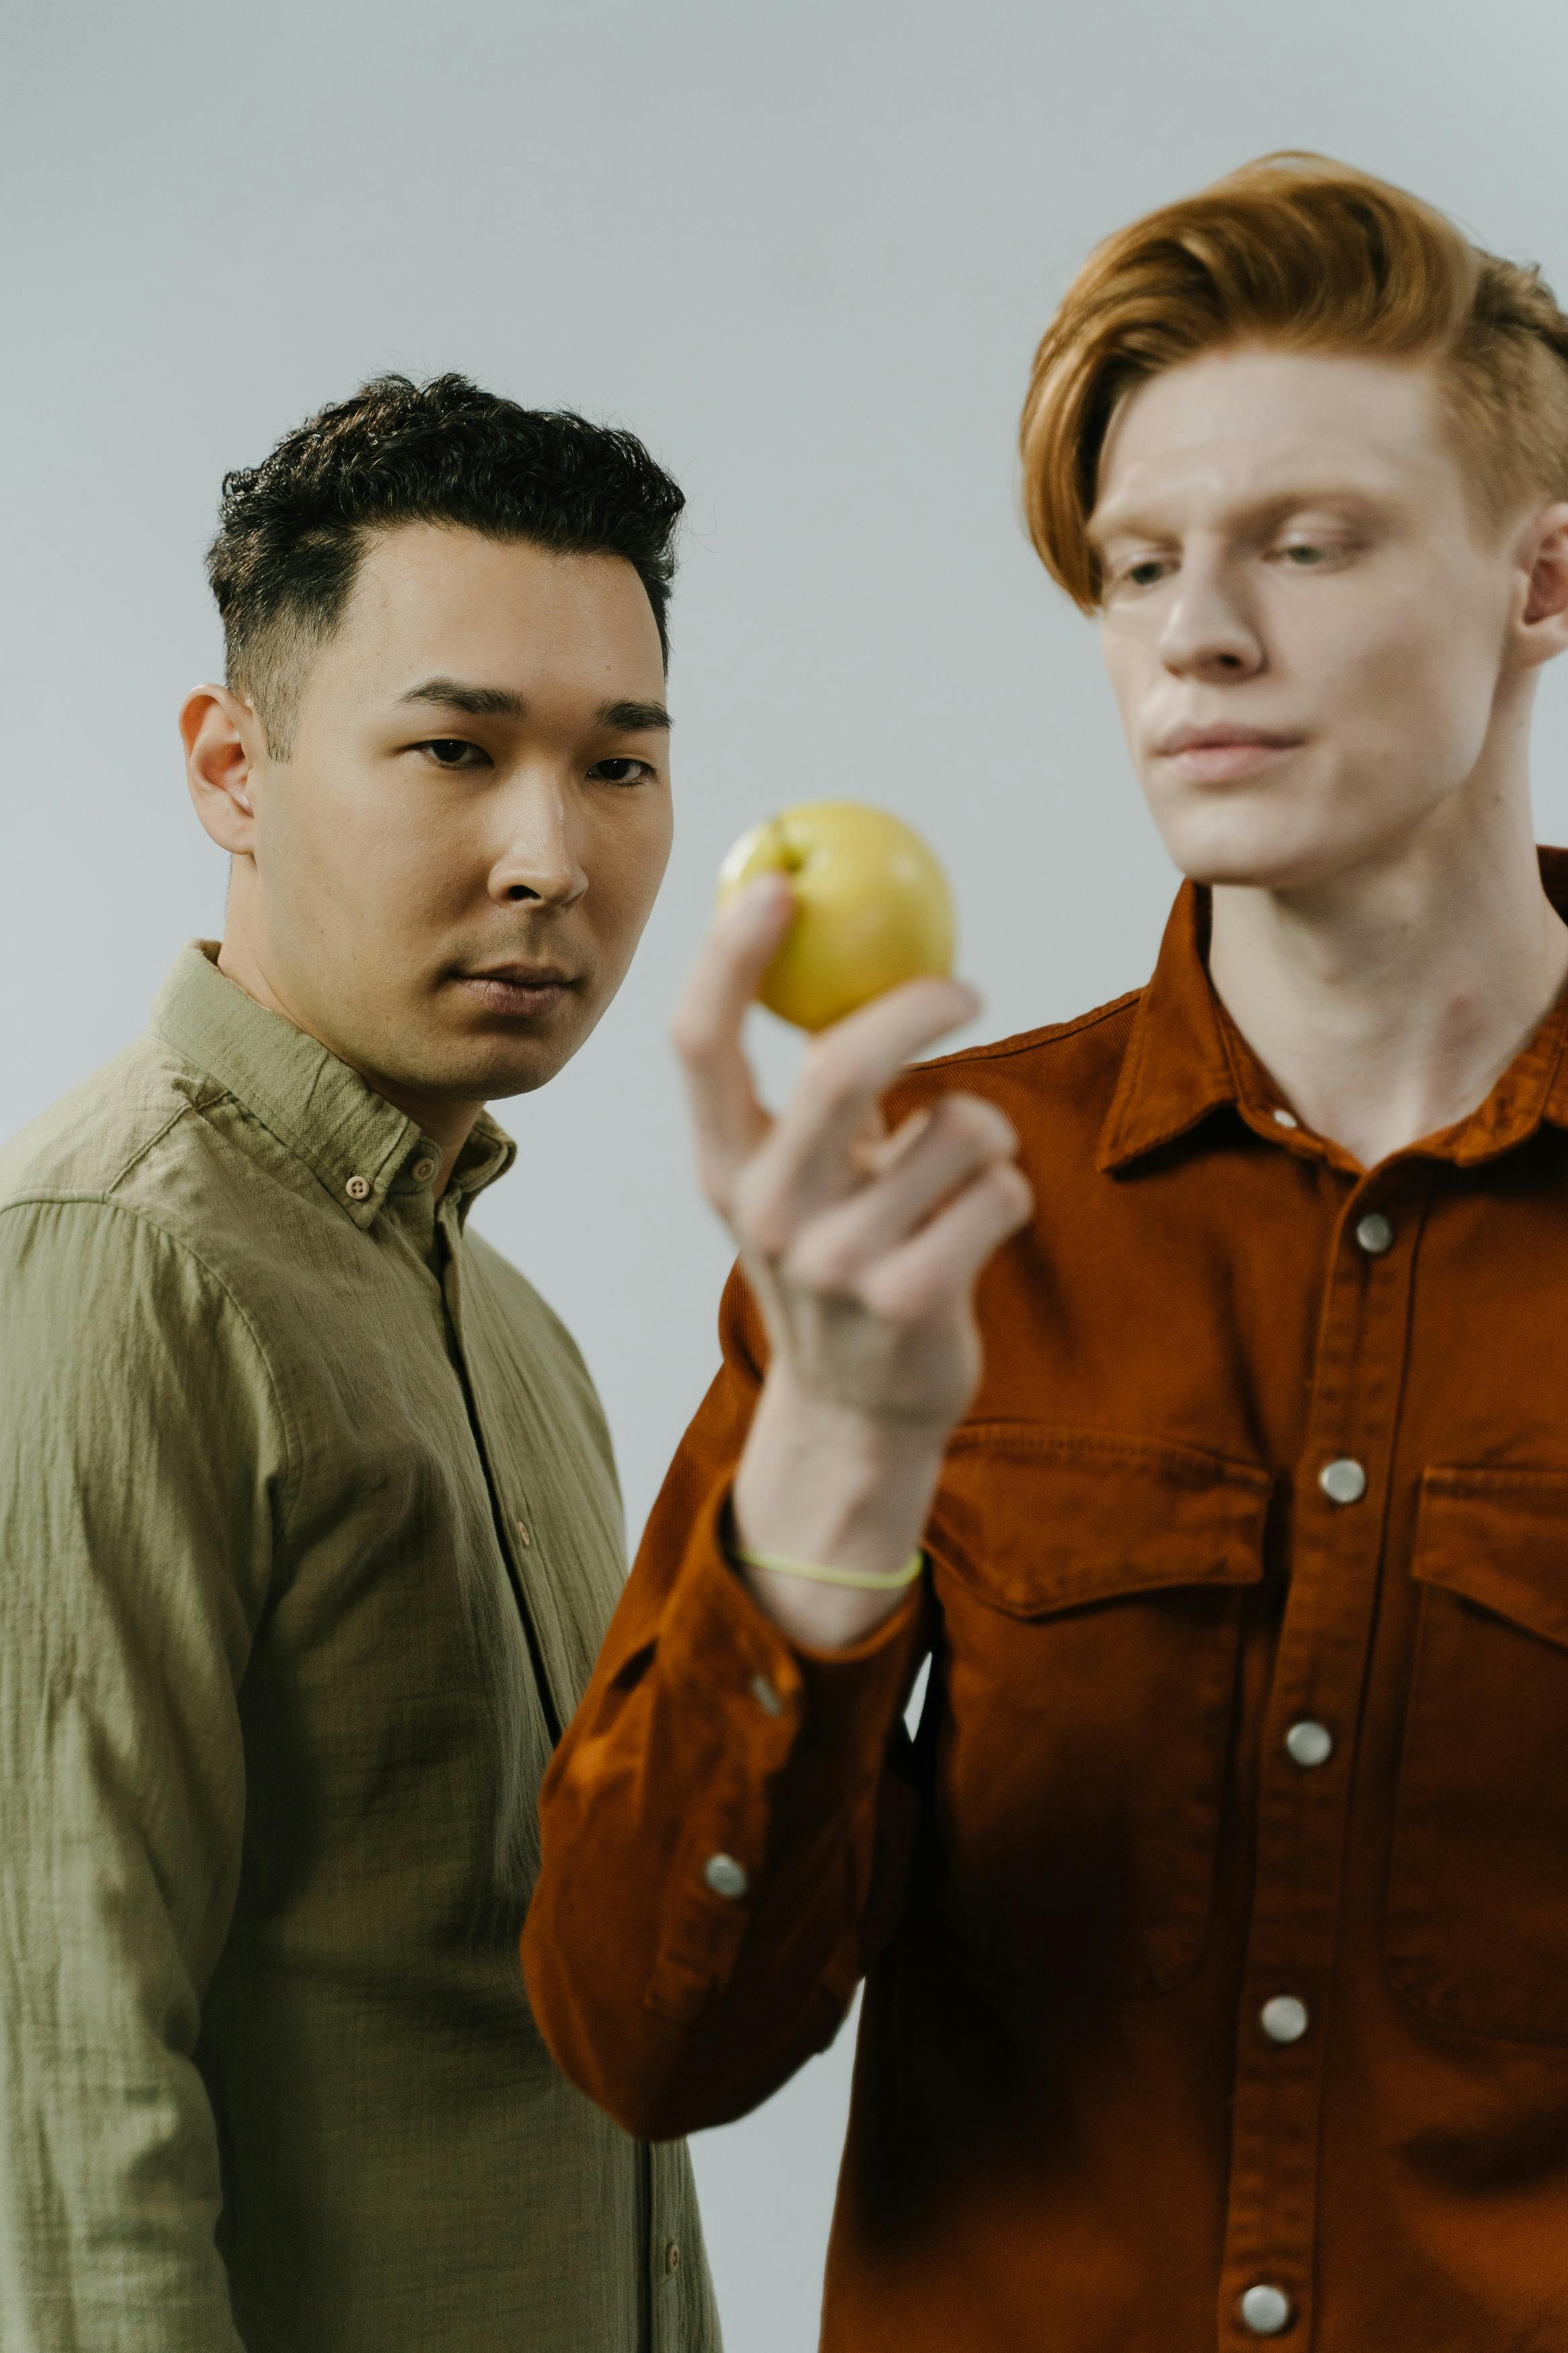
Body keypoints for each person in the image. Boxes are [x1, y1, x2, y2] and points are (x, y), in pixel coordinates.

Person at [521, 156, 1568, 2348]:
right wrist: (834, 1462)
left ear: (1540, 581)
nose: (1198, 634)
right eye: (1139, 564)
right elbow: (646, 2036)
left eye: (1309, 544)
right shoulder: (921, 1204)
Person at [0, 374, 719, 2352]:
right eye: (455, 751)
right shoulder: (112, 1268)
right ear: (234, 766)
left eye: (619, 767)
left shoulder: (512, 1327)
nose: (549, 855)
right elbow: (63, 2112)